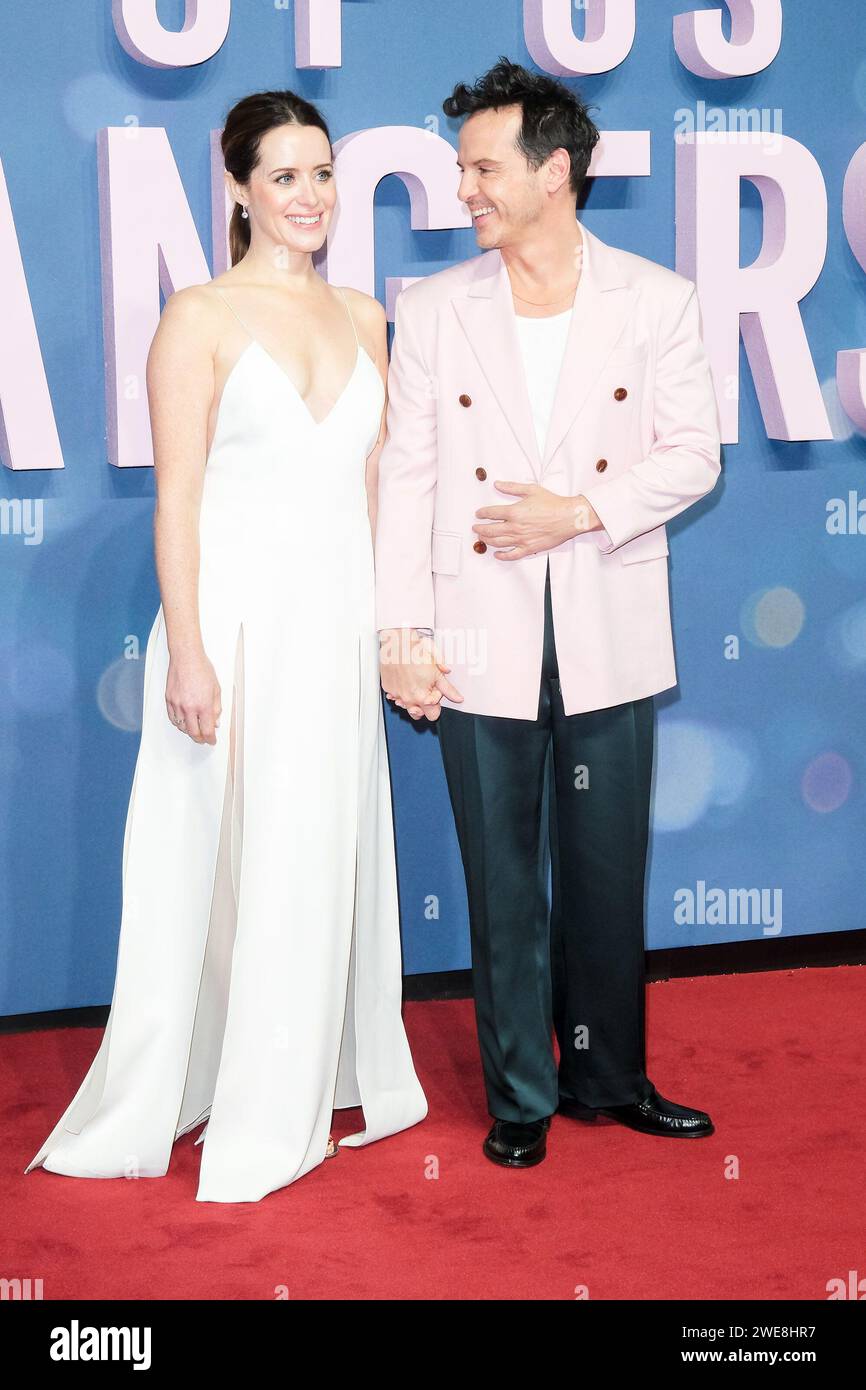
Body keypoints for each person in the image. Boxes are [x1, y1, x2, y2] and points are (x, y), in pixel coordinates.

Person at [25, 89, 427, 1203]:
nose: (310, 197)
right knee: (203, 865)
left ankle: (292, 1081)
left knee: (311, 852)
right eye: (285, 176)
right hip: (231, 622)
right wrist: (190, 652)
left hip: (335, 625)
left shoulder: (365, 316)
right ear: (239, 187)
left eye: (324, 173)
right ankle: (197, 1083)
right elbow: (179, 503)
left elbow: (373, 494)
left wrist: (395, 630)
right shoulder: (195, 317)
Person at [376, 59, 721, 1168]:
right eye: (461, 167)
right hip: (476, 624)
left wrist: (578, 510)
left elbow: (692, 456)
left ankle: (608, 1077)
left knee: (607, 867)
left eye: (481, 167)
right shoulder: (429, 309)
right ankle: (521, 1093)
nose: (463, 189)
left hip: (607, 618)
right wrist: (401, 632)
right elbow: (407, 482)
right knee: (504, 879)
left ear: (553, 171)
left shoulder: (654, 299)